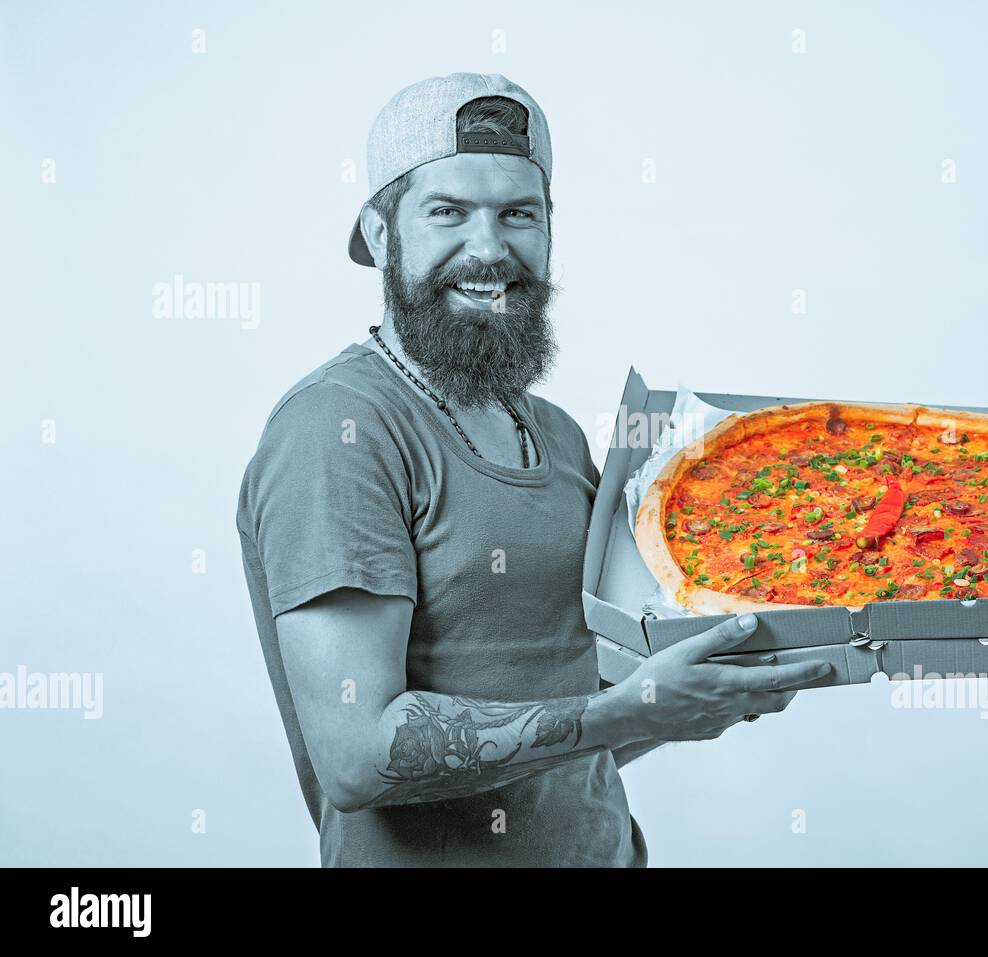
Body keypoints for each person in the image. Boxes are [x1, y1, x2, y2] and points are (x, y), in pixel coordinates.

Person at [235, 72, 829, 867]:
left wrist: (696, 696)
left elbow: (572, 730)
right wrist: (632, 709)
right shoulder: (337, 430)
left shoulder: (552, 433)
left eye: (519, 213)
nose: (489, 248)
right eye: (448, 211)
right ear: (380, 235)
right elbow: (356, 752)